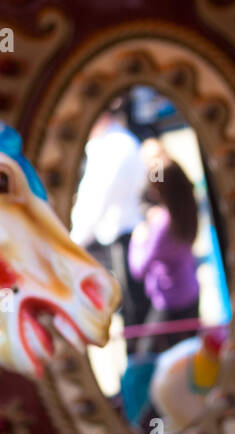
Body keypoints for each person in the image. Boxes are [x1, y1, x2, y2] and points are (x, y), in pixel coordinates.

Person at [69, 101, 150, 330]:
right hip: (124, 239)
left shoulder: (111, 147)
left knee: (133, 318)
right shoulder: (122, 140)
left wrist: (71, 245)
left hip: (122, 243)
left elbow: (94, 203)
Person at [128, 156, 200, 356]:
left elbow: (139, 269)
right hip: (191, 292)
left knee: (146, 355)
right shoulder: (188, 212)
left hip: (170, 303)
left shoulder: (162, 225)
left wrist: (139, 238)